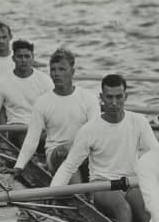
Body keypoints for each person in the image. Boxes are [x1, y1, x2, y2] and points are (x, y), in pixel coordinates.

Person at [50, 74, 159, 222]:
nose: (114, 103)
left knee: (146, 212)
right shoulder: (90, 129)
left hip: (131, 182)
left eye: (118, 97)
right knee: (123, 210)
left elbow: (157, 155)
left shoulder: (139, 121)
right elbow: (69, 165)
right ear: (101, 97)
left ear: (126, 96)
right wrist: (51, 192)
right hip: (102, 184)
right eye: (109, 97)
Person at [9, 47, 98, 183]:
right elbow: (32, 139)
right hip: (57, 154)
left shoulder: (88, 98)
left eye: (61, 69)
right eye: (53, 70)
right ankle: (80, 196)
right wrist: (19, 166)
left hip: (84, 153)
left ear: (72, 72)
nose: (56, 74)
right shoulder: (42, 102)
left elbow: (97, 134)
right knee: (66, 151)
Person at [0, 39, 52, 133]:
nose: (23, 60)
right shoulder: (2, 83)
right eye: (19, 56)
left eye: (27, 56)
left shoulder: (45, 80)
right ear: (13, 58)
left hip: (39, 129)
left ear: (32, 58)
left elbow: (54, 111)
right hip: (16, 129)